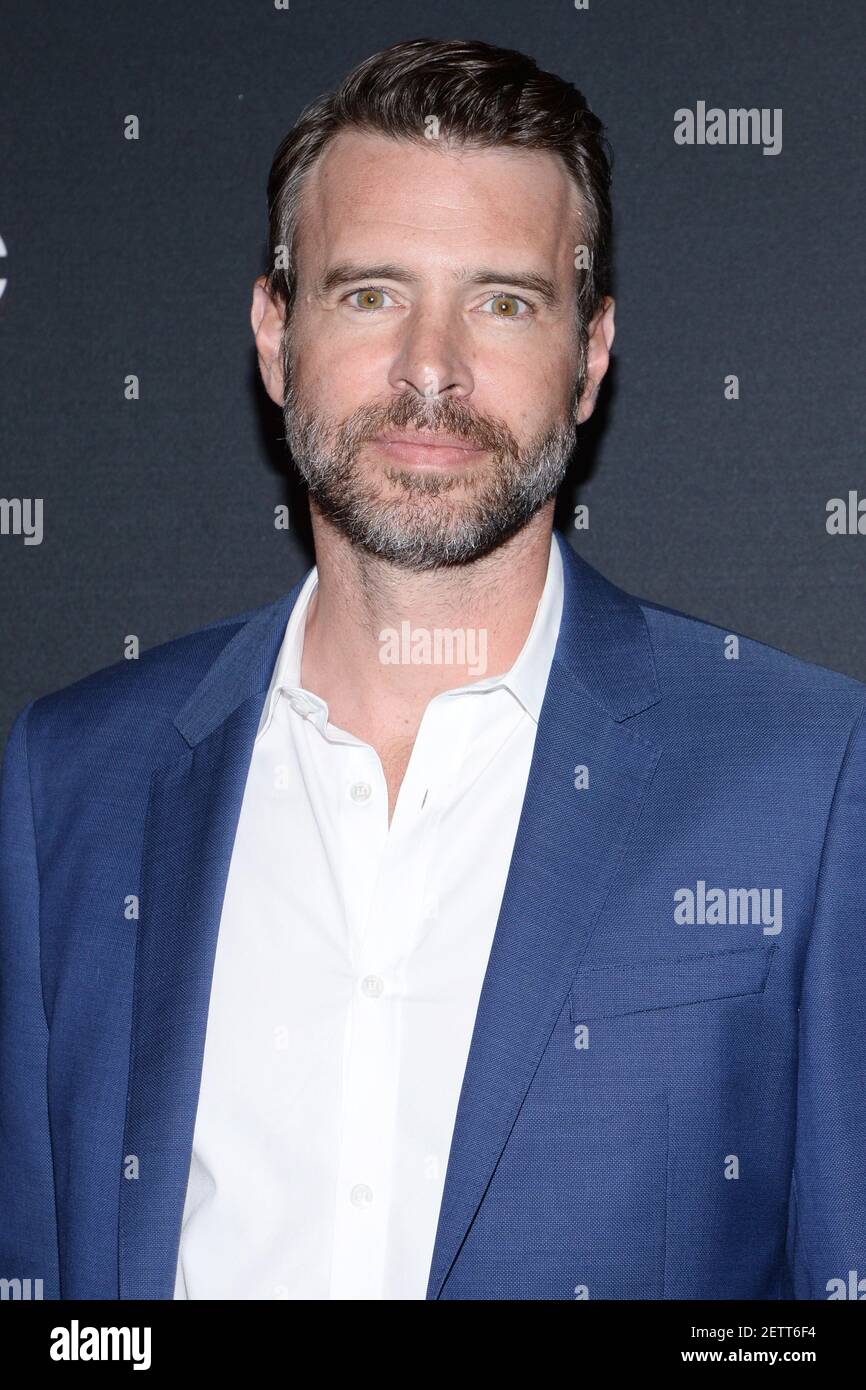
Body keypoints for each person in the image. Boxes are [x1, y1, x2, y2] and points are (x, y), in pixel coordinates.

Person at [1, 37, 864, 1302]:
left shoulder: (805, 775)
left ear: (592, 355)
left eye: (502, 301)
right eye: (368, 294)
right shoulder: (70, 779)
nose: (429, 367)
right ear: (272, 333)